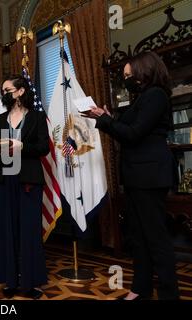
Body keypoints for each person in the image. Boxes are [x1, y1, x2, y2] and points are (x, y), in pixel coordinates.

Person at [82, 51, 179, 300]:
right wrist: (105, 117)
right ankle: (140, 288)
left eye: (128, 75)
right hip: (137, 176)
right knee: (139, 238)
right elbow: (124, 128)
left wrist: (106, 120)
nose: (126, 79)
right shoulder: (141, 99)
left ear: (144, 71)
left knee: (156, 239)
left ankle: (169, 294)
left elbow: (133, 133)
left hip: (149, 176)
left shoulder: (156, 96)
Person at [0, 74, 50, 299]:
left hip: (28, 180)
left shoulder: (36, 117)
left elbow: (43, 147)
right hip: (6, 179)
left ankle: (31, 282)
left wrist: (22, 145)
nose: (4, 93)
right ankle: (10, 279)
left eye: (8, 90)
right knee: (7, 229)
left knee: (29, 230)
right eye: (3, 91)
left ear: (21, 91)